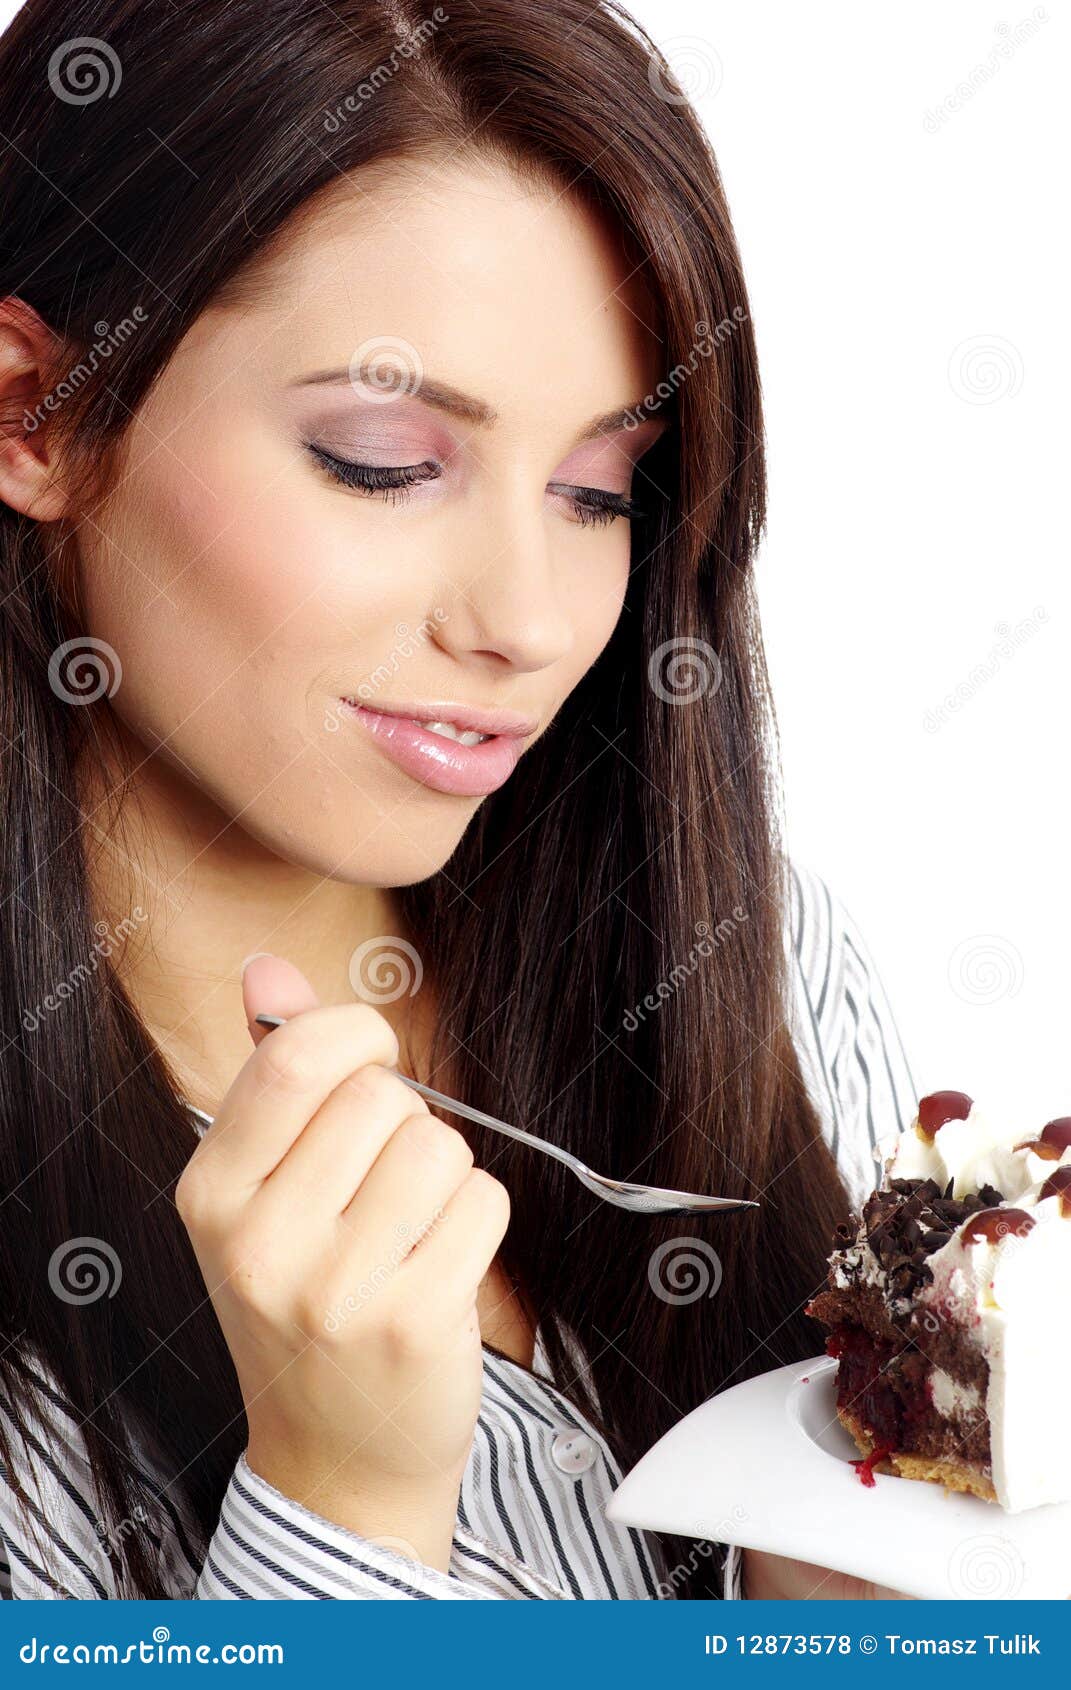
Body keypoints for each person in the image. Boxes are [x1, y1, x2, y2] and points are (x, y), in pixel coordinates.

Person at [0, 0, 915, 1599]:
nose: (532, 620)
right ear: (36, 410)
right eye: (379, 459)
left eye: (595, 492)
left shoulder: (759, 957)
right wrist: (339, 1504)